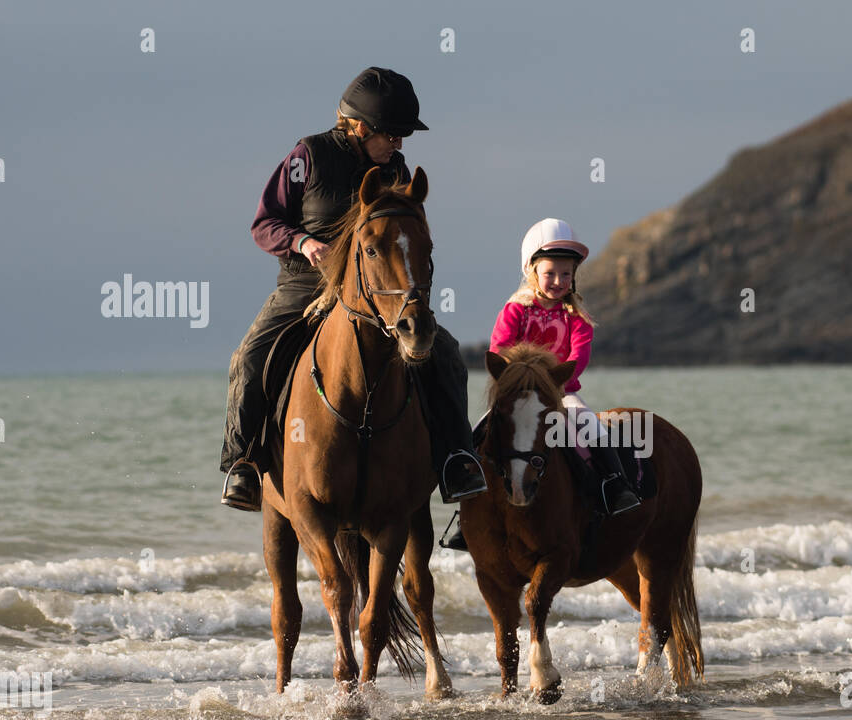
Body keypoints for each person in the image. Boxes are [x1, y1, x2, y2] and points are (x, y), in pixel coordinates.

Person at [220, 66, 486, 511]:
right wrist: (303, 242)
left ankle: (456, 459)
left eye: (403, 136)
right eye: (392, 134)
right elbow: (264, 223)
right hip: (307, 284)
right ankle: (243, 463)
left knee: (445, 354)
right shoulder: (308, 156)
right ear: (359, 126)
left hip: (380, 293)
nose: (399, 144)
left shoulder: (395, 169)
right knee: (250, 356)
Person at [442, 218, 640, 550]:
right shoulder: (515, 310)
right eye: (550, 273)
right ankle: (466, 508)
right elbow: (500, 349)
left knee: (592, 427)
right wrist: (516, 381)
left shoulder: (577, 318)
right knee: (480, 430)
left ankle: (615, 487)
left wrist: (560, 384)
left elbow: (579, 357)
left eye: (566, 274)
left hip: (562, 392)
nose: (559, 281)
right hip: (519, 395)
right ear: (532, 271)